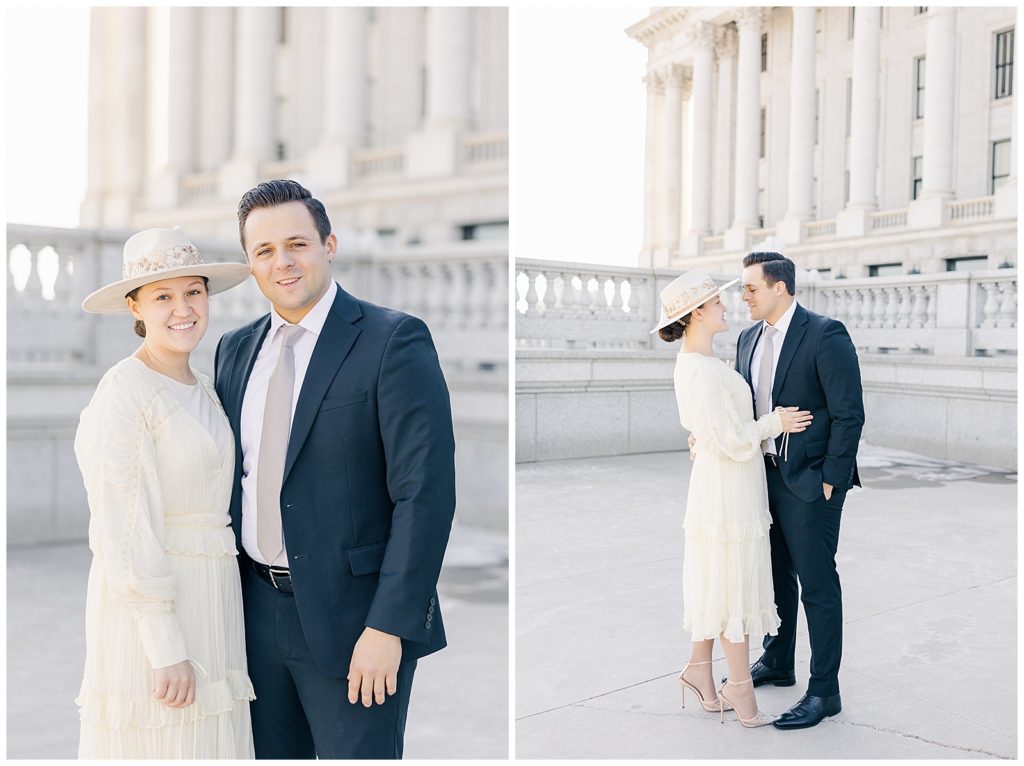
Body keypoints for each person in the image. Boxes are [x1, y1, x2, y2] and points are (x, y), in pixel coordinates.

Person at [213, 179, 456, 759]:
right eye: (264, 251)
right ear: (250, 265)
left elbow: (424, 495)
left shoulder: (393, 339)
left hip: (356, 625)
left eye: (296, 243)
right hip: (251, 617)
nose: (283, 262)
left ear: (329, 244)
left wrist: (389, 628)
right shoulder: (233, 350)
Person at [74, 226, 255, 758]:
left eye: (193, 292)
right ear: (136, 307)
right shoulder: (124, 392)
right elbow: (121, 529)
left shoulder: (204, 385)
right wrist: (163, 644)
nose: (183, 308)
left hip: (215, 601)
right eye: (162, 296)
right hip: (155, 617)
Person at [653, 270, 812, 728]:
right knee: (729, 581)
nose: (728, 305)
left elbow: (712, 431)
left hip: (730, 481)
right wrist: (775, 423)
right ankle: (740, 688)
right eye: (718, 302)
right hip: (725, 486)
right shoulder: (699, 368)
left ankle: (699, 671)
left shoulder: (707, 361)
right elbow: (727, 440)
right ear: (697, 313)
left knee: (721, 577)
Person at [722, 250, 864, 730]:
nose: (743, 296)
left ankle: (825, 691)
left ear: (779, 287)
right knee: (775, 579)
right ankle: (778, 661)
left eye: (750, 288)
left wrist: (831, 479)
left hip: (809, 483)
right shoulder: (746, 339)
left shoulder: (826, 334)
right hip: (759, 479)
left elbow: (849, 413)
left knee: (817, 586)